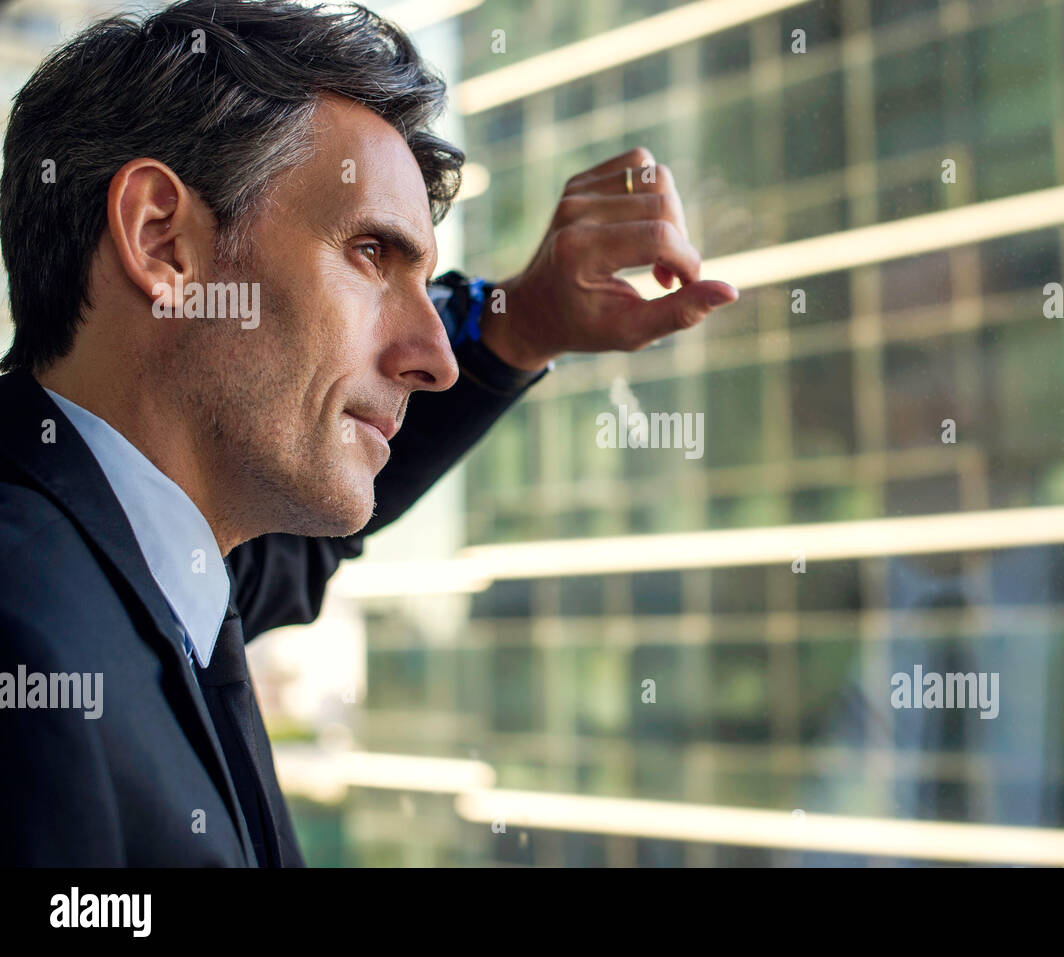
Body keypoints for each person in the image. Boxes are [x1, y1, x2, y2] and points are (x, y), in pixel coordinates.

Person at [0, 0, 737, 866]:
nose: (436, 359)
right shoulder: (28, 639)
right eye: (370, 254)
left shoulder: (153, 561)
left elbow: (301, 539)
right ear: (163, 241)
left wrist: (520, 322)